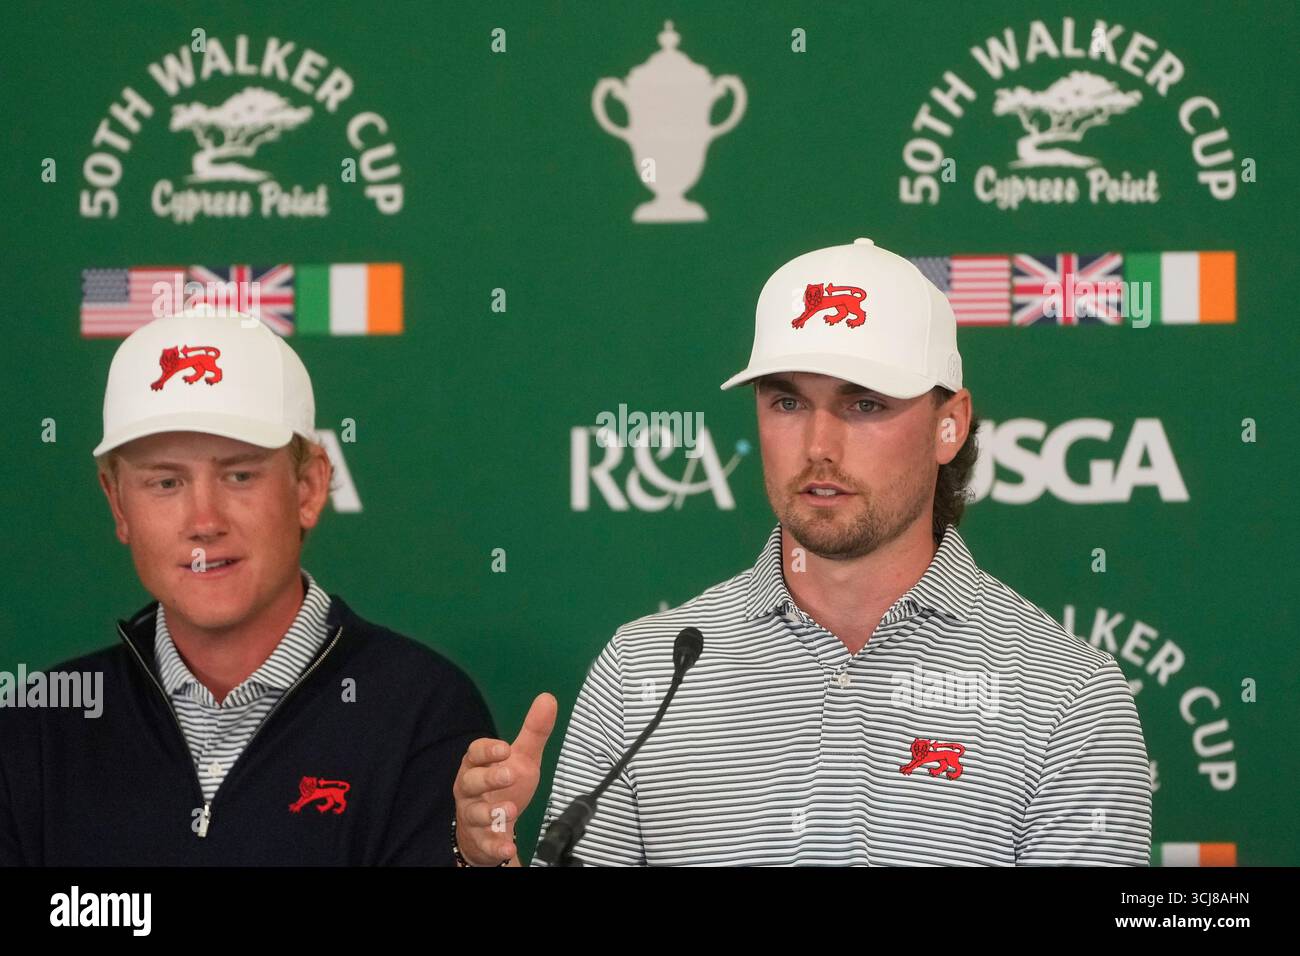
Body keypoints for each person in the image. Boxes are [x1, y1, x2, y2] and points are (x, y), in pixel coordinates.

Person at [454, 238, 1151, 866]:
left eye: (865, 404)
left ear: (949, 425)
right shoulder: (643, 672)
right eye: (787, 402)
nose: (819, 445)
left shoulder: (1069, 697)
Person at [0, 304, 495, 865]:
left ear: (309, 486)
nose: (204, 520)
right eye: (165, 481)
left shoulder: (423, 711)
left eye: (240, 475)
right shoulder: (37, 726)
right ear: (118, 503)